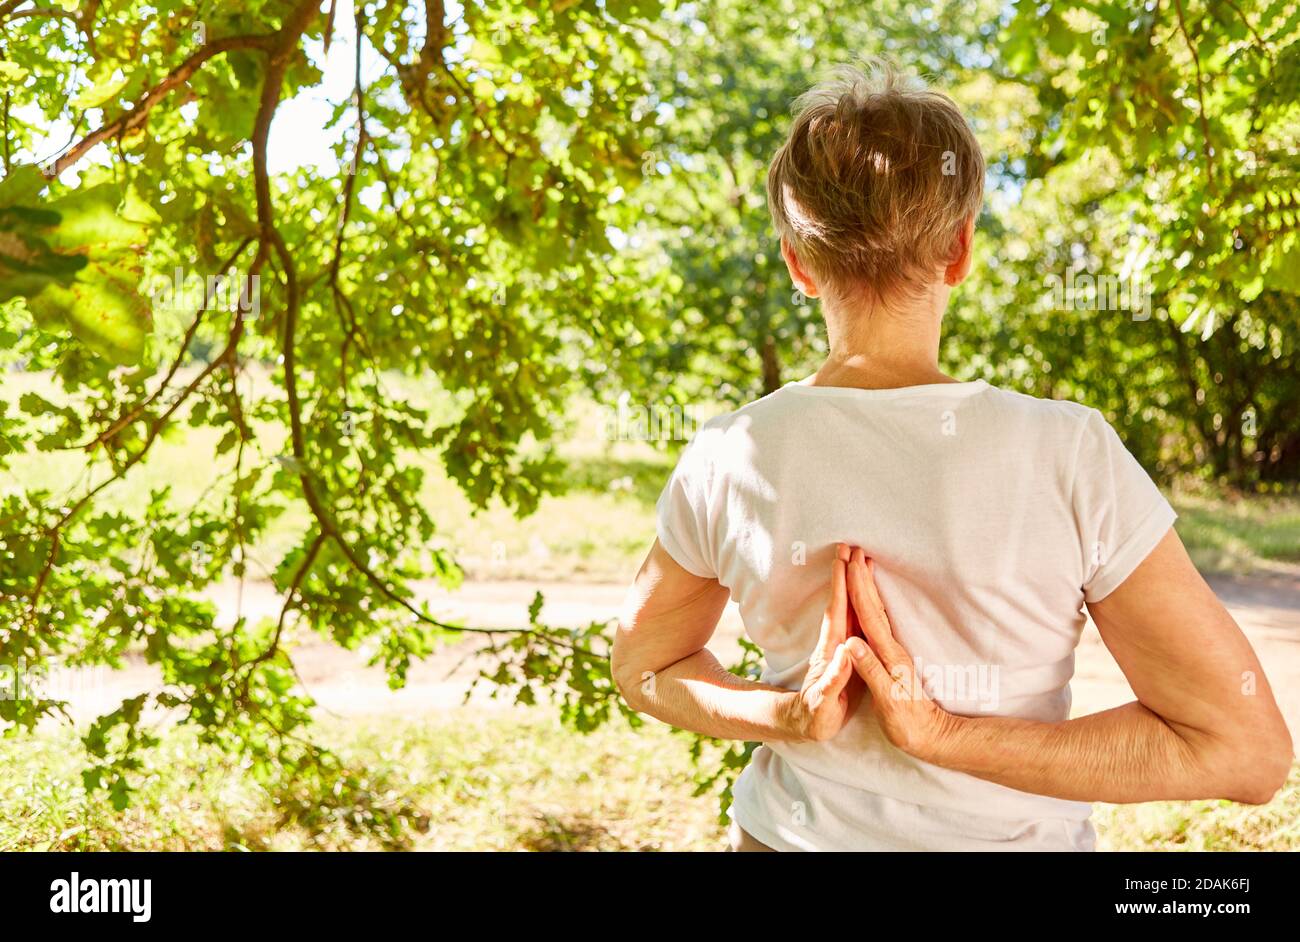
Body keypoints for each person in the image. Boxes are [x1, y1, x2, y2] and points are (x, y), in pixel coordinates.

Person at [610, 59, 1292, 851]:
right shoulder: (1067, 452)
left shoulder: (732, 453)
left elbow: (643, 665)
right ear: (961, 250)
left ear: (799, 265)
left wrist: (790, 716)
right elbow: (1245, 751)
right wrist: (942, 736)